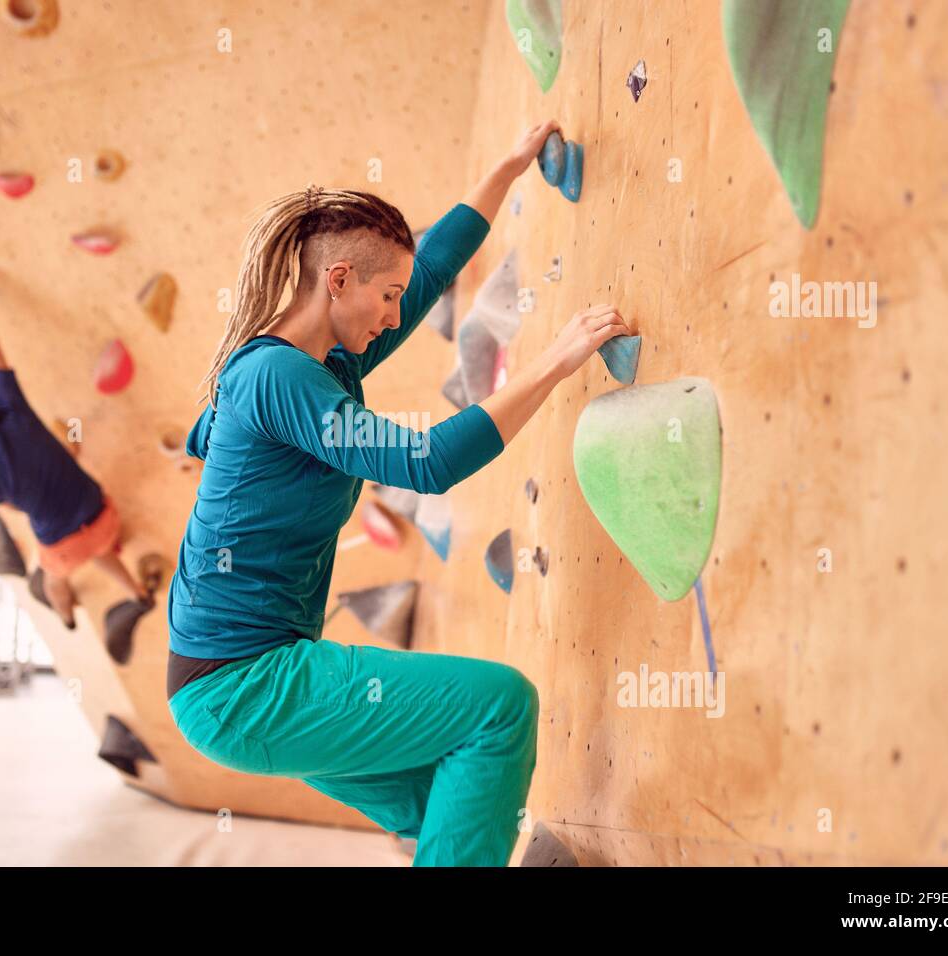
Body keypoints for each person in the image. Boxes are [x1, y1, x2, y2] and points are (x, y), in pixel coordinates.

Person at [167, 119, 630, 866]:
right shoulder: (275, 375)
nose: (394, 313)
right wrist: (556, 359)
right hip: (245, 685)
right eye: (384, 295)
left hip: (235, 680)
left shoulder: (322, 364)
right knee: (498, 709)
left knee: (440, 801)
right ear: (338, 280)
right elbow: (428, 461)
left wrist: (506, 169)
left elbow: (433, 267)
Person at [0, 251, 151, 629]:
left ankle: (66, 616)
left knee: (53, 580)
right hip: (100, 513)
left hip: (62, 544)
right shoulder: (9, 405)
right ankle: (137, 593)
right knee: (99, 546)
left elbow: (15, 507)